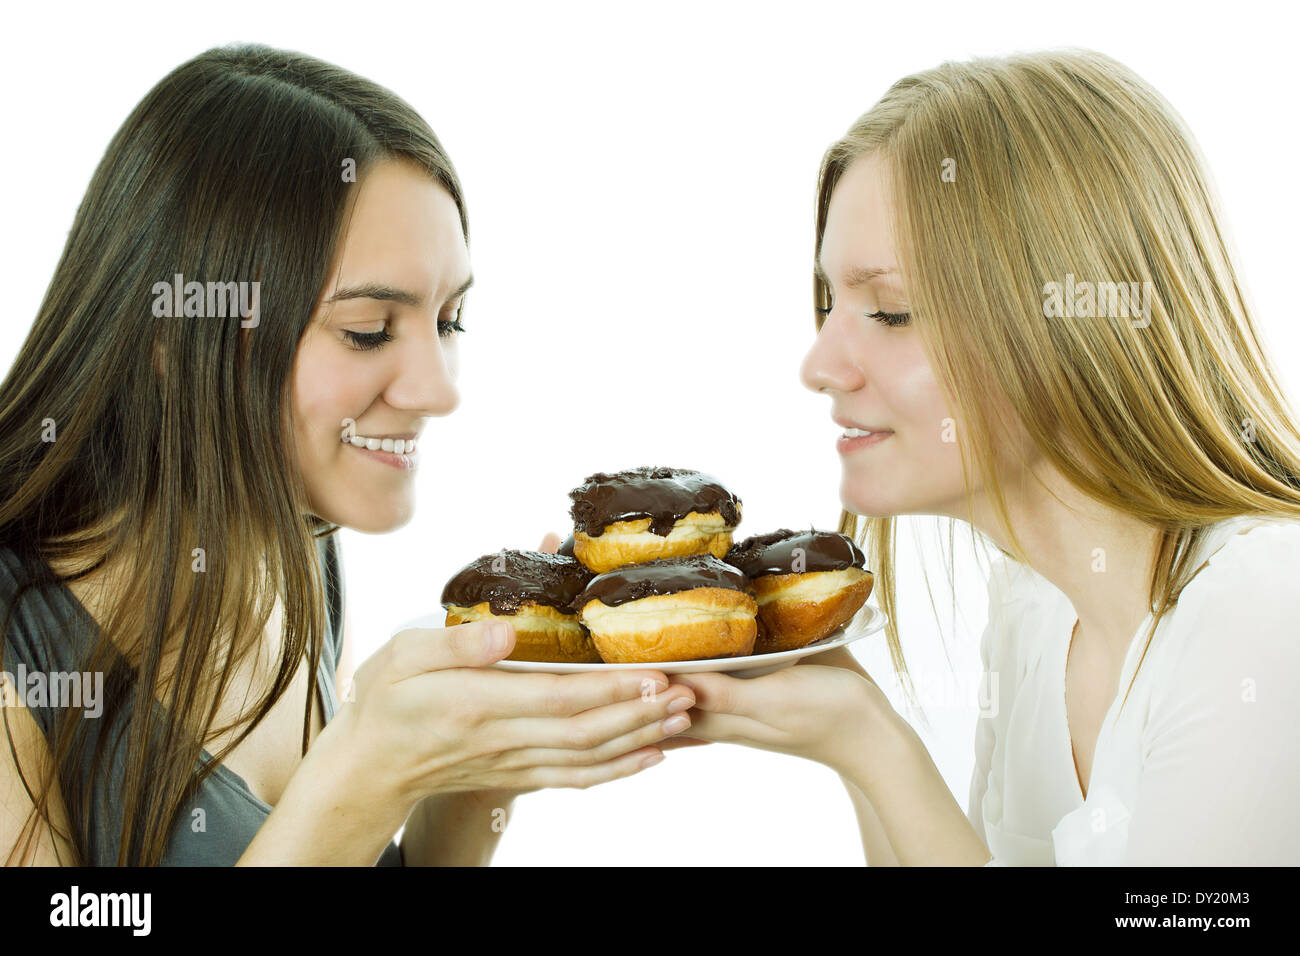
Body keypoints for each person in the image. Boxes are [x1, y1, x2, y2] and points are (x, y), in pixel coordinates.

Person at [0, 43, 696, 867]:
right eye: (368, 329)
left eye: (450, 322)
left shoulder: (295, 552)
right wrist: (366, 773)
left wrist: (471, 780)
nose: (438, 391)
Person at [671, 49, 1300, 865]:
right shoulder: (1037, 613)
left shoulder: (1265, 610)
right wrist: (848, 725)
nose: (820, 365)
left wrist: (875, 749)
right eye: (830, 302)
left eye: (889, 311)